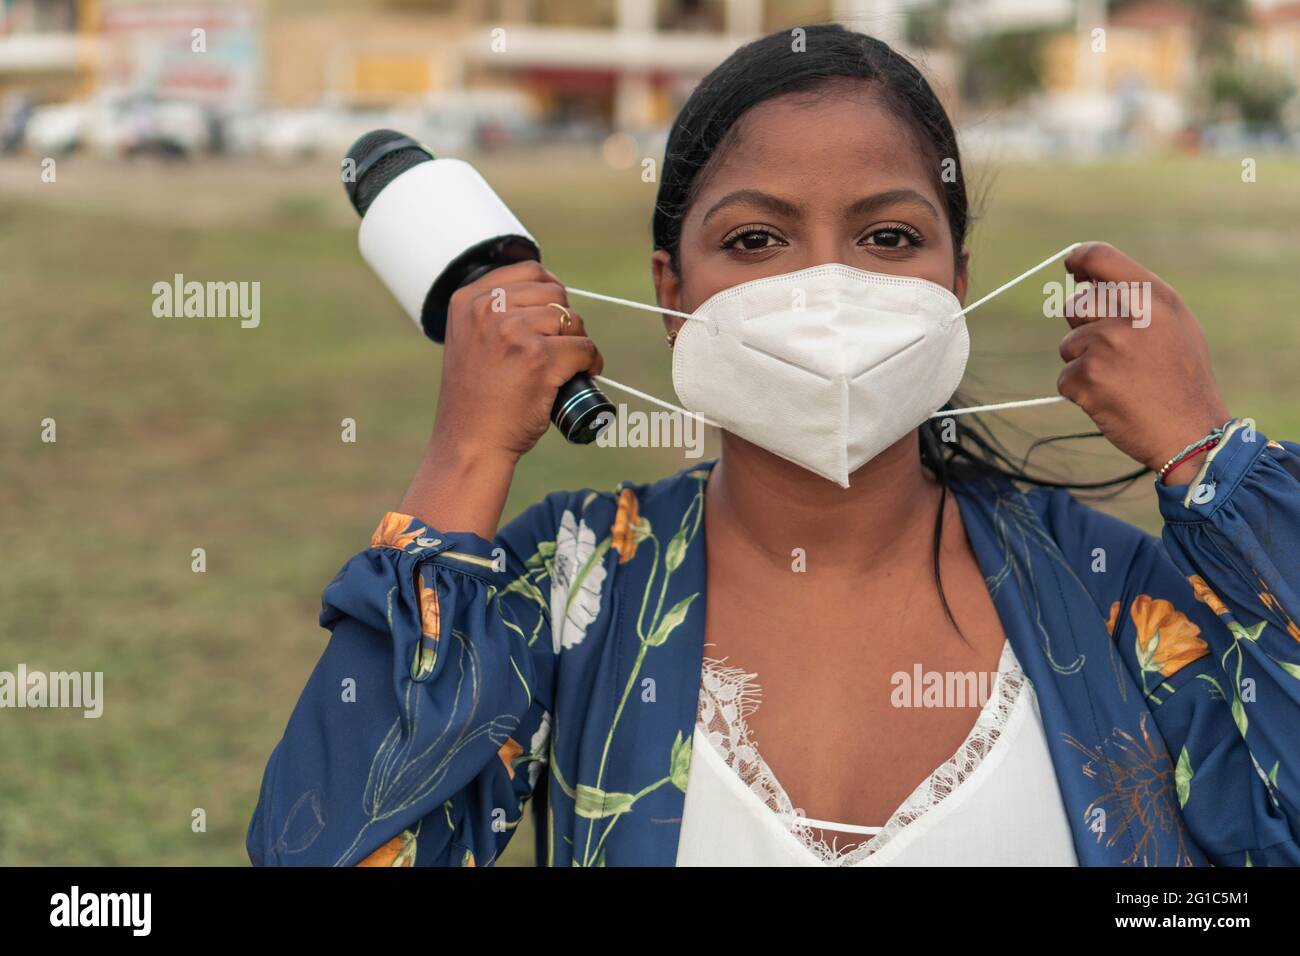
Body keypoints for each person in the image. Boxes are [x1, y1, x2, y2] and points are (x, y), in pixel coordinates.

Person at [247, 24, 1300, 867]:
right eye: (755, 239)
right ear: (672, 291)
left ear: (958, 280)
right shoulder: (571, 587)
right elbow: (338, 844)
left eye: (887, 237)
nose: (826, 287)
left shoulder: (1112, 593)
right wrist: (465, 457)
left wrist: (1214, 466)